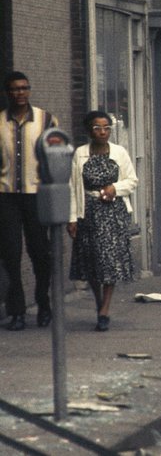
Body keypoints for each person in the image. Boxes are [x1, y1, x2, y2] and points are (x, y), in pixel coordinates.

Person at [67, 111, 138, 331]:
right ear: (89, 130)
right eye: (97, 128)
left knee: (110, 261)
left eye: (107, 127)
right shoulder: (80, 153)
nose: (103, 132)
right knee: (92, 262)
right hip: (88, 212)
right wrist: (72, 218)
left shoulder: (119, 152)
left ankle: (105, 309)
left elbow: (132, 180)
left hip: (113, 212)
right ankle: (99, 303)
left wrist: (114, 188)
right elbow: (72, 188)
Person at [0, 71, 57, 331]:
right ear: (7, 93)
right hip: (7, 197)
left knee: (40, 254)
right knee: (10, 255)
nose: (19, 93)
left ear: (29, 90)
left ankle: (44, 304)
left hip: (37, 195)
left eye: (24, 88)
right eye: (14, 89)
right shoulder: (0, 122)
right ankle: (17, 312)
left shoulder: (46, 120)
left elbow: (57, 158)